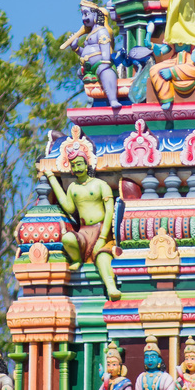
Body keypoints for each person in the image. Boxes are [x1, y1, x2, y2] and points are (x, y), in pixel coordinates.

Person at [45, 127, 120, 300]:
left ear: (87, 164)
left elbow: (110, 210)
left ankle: (111, 287)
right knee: (68, 239)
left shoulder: (100, 185)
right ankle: (77, 259)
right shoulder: (73, 188)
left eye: (80, 164)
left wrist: (103, 236)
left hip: (102, 229)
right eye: (74, 165)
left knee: (102, 257)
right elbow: (69, 207)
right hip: (84, 232)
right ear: (70, 168)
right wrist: (52, 179)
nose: (77, 168)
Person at [63, 0, 121, 109]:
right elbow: (85, 53)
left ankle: (113, 99)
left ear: (95, 15)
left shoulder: (102, 31)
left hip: (101, 64)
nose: (83, 18)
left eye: (86, 14)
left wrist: (105, 61)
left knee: (106, 72)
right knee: (79, 73)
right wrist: (75, 47)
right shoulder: (89, 35)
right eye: (82, 15)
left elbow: (105, 48)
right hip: (89, 68)